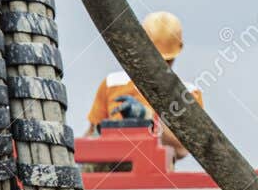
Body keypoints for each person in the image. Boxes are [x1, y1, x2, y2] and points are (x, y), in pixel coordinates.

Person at [86, 11, 201, 160]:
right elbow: (91, 134)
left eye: (165, 61)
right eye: (154, 59)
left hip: (155, 177)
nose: (159, 66)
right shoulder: (112, 84)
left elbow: (183, 148)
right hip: (109, 174)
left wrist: (147, 119)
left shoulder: (188, 94)